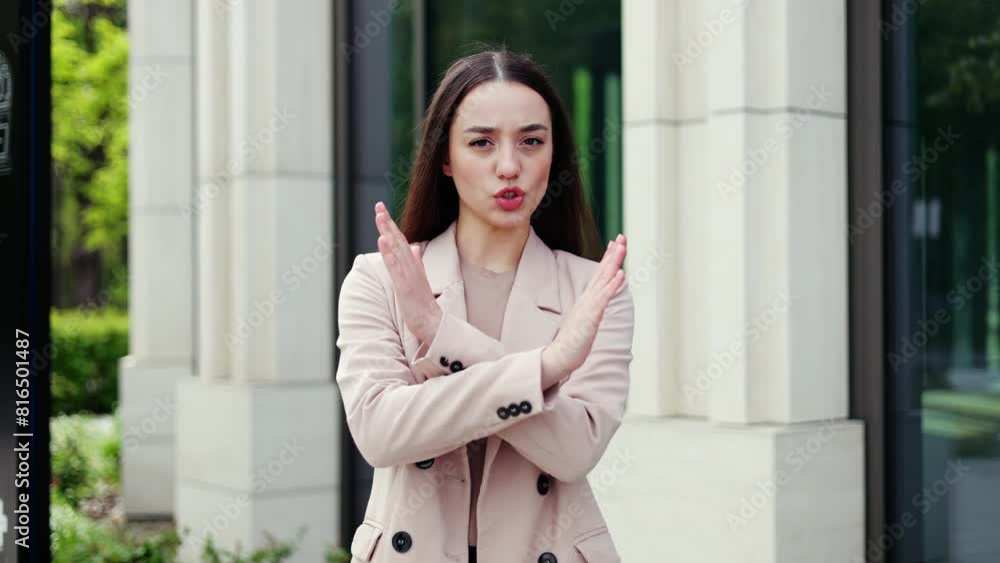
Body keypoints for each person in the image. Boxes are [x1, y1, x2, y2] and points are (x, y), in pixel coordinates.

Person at [336, 47, 634, 563]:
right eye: (481, 143)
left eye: (532, 142)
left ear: (553, 154)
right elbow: (382, 432)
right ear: (445, 158)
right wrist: (546, 368)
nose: (509, 166)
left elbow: (572, 452)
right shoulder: (378, 279)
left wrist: (442, 335)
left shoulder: (596, 289)